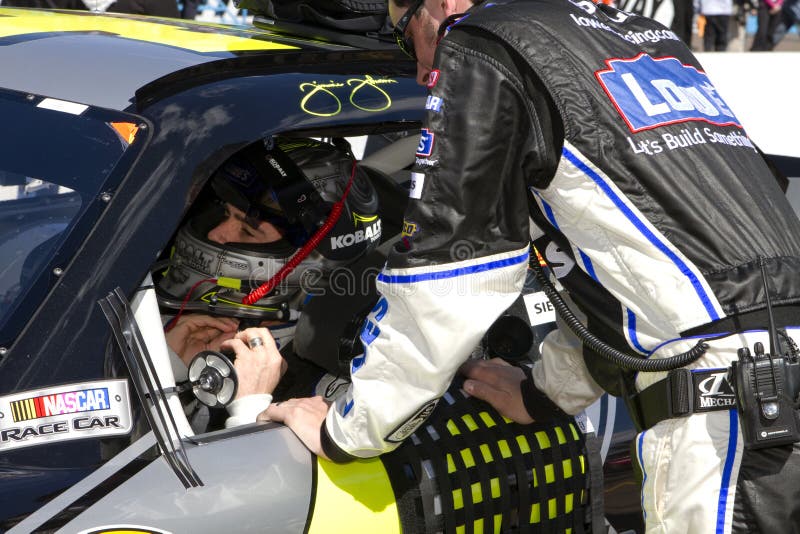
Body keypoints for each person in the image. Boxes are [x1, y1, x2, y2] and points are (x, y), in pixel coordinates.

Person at [265, 0, 800, 532]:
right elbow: (633, 270)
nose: (424, 70)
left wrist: (349, 428)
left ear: (442, 5)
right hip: (764, 379)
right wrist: (543, 395)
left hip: (732, 416)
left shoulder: (481, 44)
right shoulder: (643, 35)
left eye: (407, 38)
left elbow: (449, 276)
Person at [157, 136, 384, 426]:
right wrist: (171, 370)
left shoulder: (342, 383)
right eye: (227, 214)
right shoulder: (188, 326)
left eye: (248, 231)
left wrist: (250, 412)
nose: (217, 234)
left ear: (310, 261)